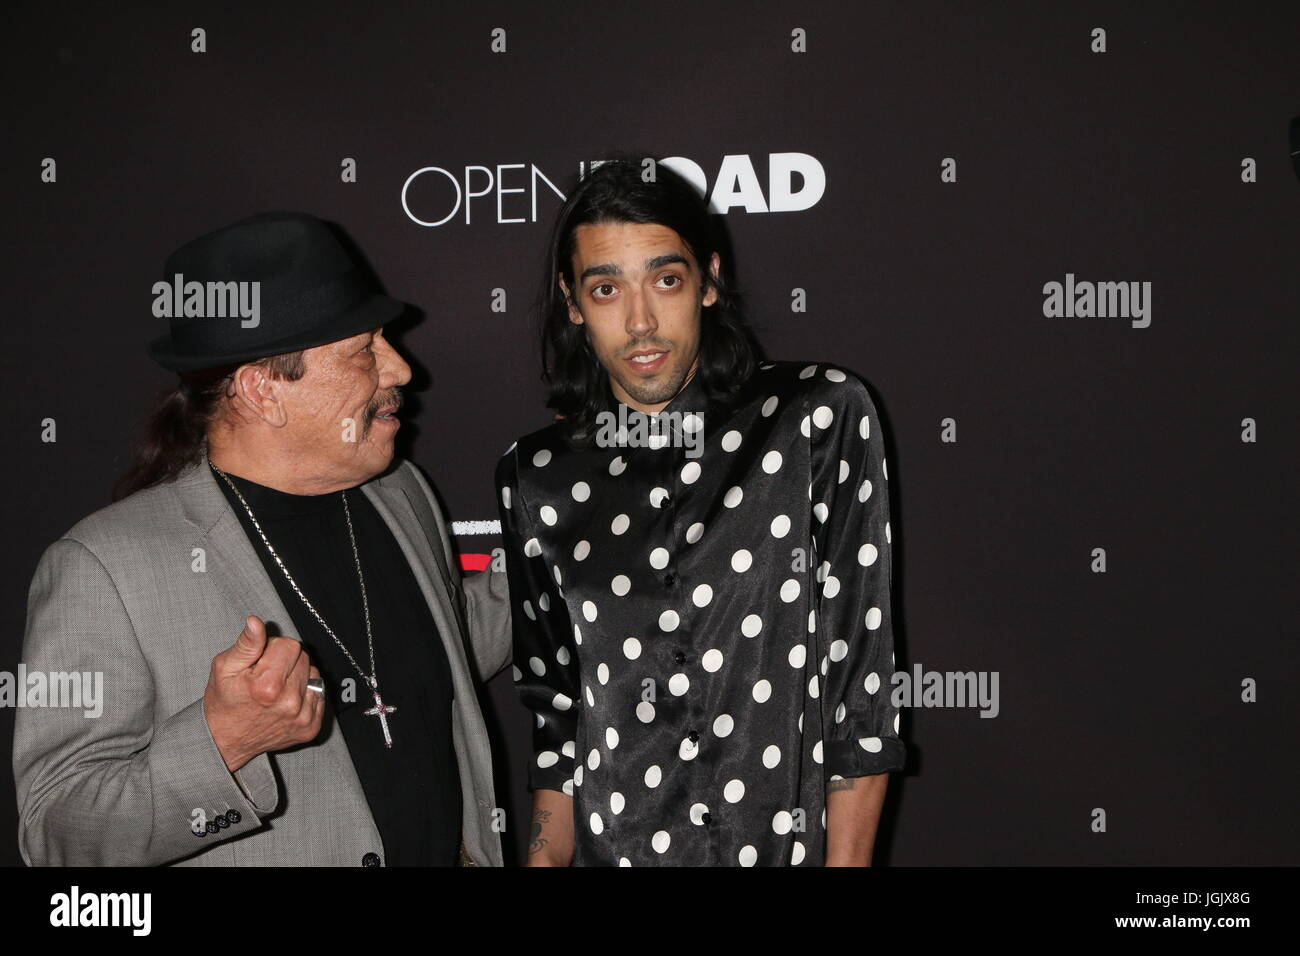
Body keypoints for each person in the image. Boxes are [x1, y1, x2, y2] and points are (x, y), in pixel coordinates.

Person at [13, 211, 511, 866]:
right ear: (263, 389)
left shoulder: (400, 493)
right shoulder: (104, 568)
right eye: (365, 350)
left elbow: (436, 643)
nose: (400, 370)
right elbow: (57, 832)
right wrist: (223, 743)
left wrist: (571, 552)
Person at [495, 157, 906, 866]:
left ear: (709, 280)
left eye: (666, 279)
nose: (640, 321)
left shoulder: (816, 419)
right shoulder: (536, 475)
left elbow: (858, 697)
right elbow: (558, 722)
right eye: (605, 288)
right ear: (571, 302)